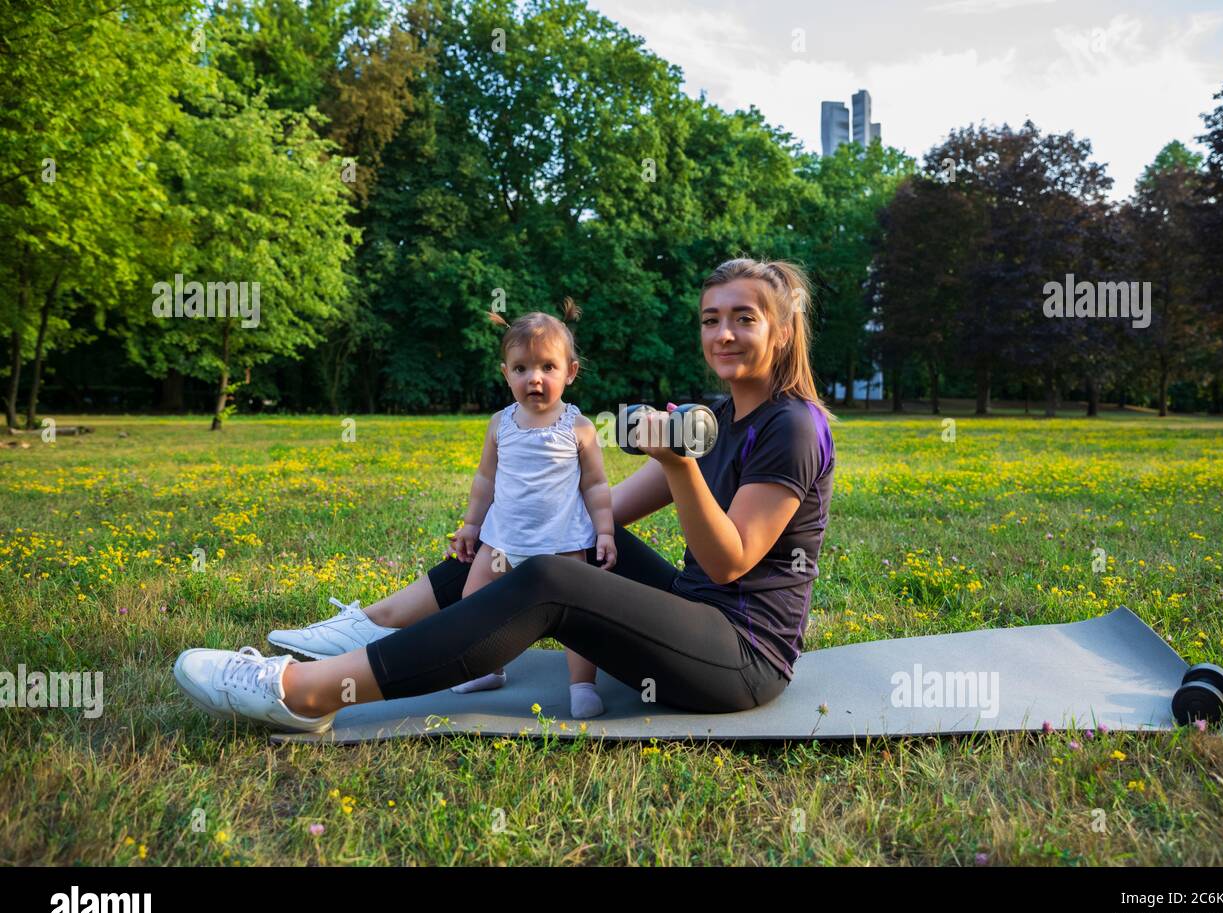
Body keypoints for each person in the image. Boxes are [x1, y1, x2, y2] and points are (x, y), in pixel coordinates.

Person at [172, 258, 839, 733]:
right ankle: (375, 623)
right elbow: (600, 513)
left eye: (744, 319)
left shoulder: (793, 426)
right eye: (711, 319)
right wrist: (521, 515)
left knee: (550, 578)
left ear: (781, 332)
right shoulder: (717, 415)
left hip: (740, 659)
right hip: (692, 613)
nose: (723, 334)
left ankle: (305, 694)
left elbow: (728, 563)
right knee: (538, 534)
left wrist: (678, 464)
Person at [267, 298, 616, 719]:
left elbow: (595, 484)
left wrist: (605, 531)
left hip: (563, 543)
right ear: (506, 373)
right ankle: (490, 668)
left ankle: (581, 684)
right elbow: (485, 481)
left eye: (547, 367)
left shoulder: (578, 427)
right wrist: (471, 525)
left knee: (575, 620)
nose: (534, 379)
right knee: (474, 605)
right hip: (502, 543)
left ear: (570, 372)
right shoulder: (500, 424)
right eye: (521, 368)